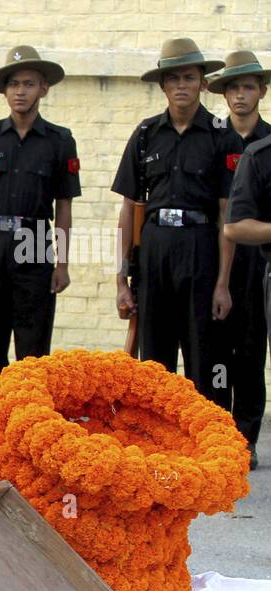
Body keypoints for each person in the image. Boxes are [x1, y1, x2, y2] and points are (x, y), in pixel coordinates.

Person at [113, 38, 239, 407]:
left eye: (189, 77)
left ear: (202, 82)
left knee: (203, 352)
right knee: (154, 359)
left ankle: (203, 446)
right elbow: (128, 210)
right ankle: (157, 444)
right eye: (174, 78)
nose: (181, 85)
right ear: (162, 85)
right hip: (154, 249)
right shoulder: (145, 134)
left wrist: (223, 284)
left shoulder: (221, 134)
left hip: (200, 248)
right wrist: (121, 280)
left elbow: (226, 216)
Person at [0, 46, 80, 387]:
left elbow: (64, 205)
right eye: (14, 84)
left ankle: (30, 416)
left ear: (43, 88)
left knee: (32, 343)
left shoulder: (59, 141)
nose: (20, 91)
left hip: (34, 239)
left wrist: (62, 263)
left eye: (29, 84)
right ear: (5, 90)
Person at [210, 50, 270, 465]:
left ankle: (245, 438)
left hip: (259, 261)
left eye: (248, 86)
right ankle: (217, 438)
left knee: (251, 352)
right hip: (211, 257)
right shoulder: (212, 141)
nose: (241, 95)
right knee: (215, 353)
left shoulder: (267, 145)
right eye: (233, 87)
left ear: (262, 92)